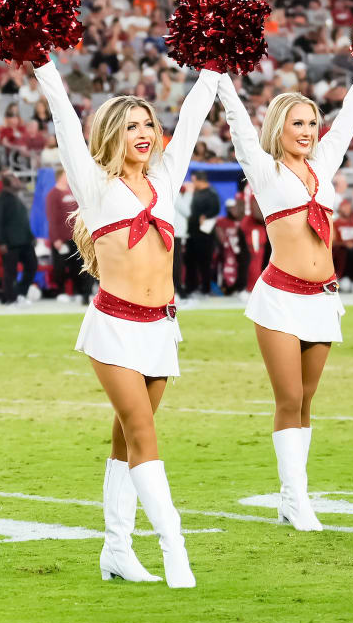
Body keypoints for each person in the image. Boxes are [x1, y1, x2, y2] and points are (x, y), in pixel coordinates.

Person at [36, 52, 220, 588]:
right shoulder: (96, 186)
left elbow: (192, 118)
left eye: (148, 125)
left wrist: (212, 68)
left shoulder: (166, 177)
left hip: (162, 328)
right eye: (132, 126)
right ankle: (174, 547)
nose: (144, 134)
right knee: (143, 432)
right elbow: (64, 118)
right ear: (112, 134)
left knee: (125, 441)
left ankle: (116, 549)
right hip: (113, 326)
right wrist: (43, 61)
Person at [216, 55, 353, 532]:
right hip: (280, 298)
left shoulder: (322, 167)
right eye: (298, 123)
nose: (307, 131)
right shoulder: (266, 172)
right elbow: (239, 123)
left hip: (324, 299)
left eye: (312, 122)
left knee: (307, 401)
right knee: (288, 398)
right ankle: (295, 497)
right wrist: (218, 73)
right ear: (278, 128)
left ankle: (293, 498)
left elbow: (349, 116)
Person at [0, 173, 38, 306]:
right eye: (15, 180)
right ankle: (10, 298)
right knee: (10, 271)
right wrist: (0, 242)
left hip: (24, 241)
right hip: (10, 243)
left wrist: (30, 236)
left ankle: (20, 293)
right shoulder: (1, 200)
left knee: (32, 266)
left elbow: (23, 222)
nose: (18, 182)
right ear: (8, 183)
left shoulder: (16, 198)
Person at [45, 166, 90, 303]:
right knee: (60, 267)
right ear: (60, 176)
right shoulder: (53, 194)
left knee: (77, 266)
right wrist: (55, 239)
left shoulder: (72, 192)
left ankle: (78, 291)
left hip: (75, 237)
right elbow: (52, 218)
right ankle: (60, 291)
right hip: (61, 238)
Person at [184, 170, 220, 297]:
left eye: (194, 181)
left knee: (205, 262)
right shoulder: (194, 193)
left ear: (200, 181)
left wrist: (206, 215)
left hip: (205, 235)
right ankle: (190, 287)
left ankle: (206, 288)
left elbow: (216, 209)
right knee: (190, 261)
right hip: (191, 233)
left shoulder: (211, 193)